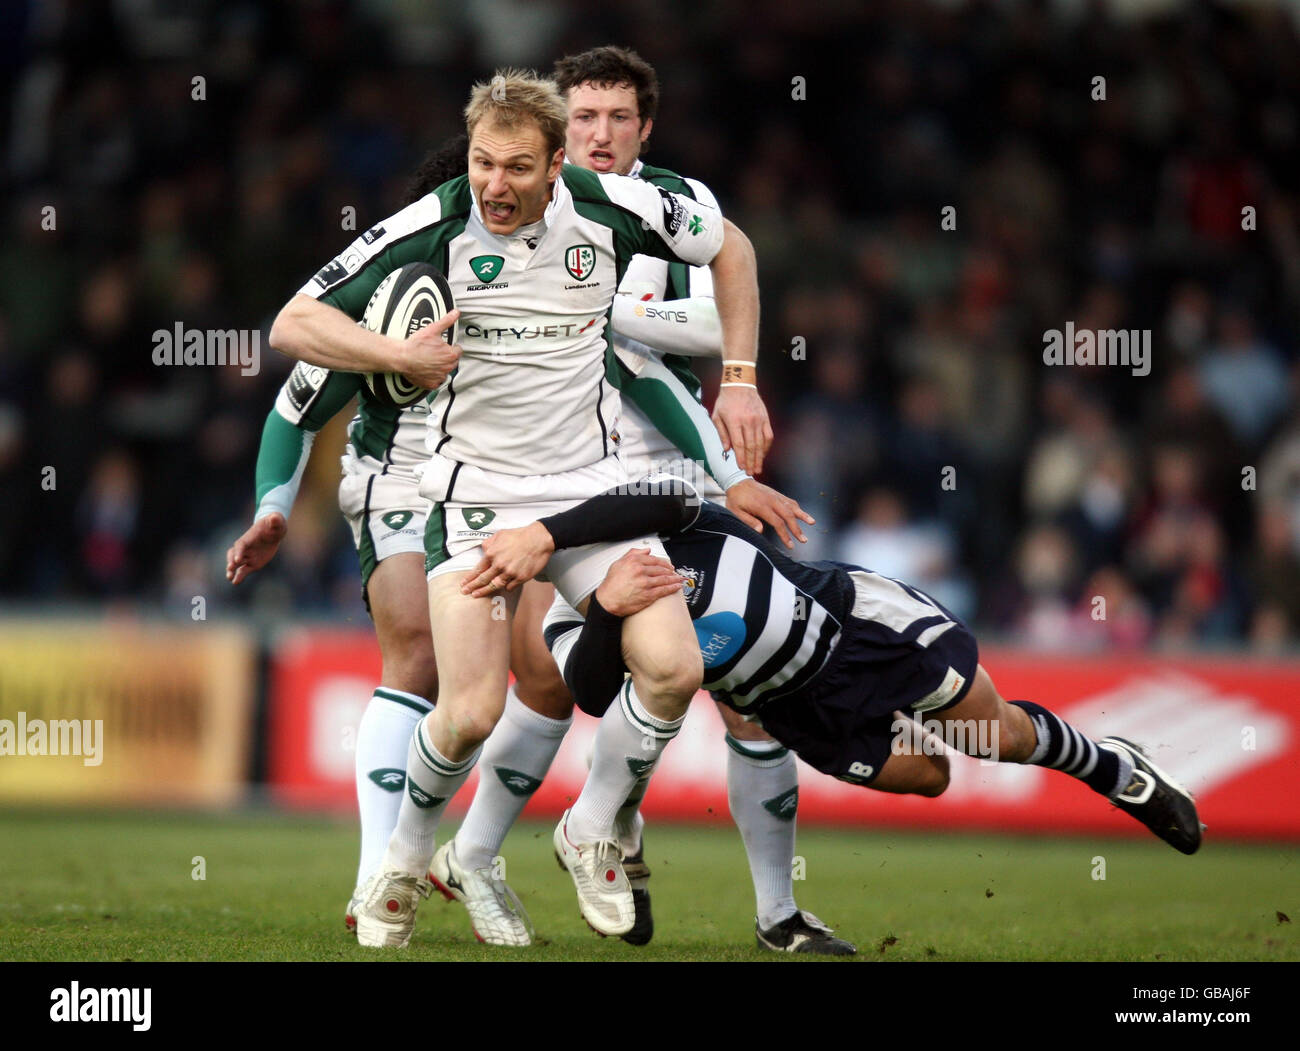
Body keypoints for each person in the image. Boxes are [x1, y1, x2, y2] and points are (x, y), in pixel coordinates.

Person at [267, 68, 783, 949]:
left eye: (515, 168)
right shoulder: (431, 222)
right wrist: (396, 352)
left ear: (555, 168)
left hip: (587, 496)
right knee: (468, 709)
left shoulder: (613, 206)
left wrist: (738, 376)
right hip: (472, 501)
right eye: (480, 164)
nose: (494, 187)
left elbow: (730, 245)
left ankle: (592, 830)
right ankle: (403, 857)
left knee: (675, 667)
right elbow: (292, 322)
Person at [431, 45, 846, 955]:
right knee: (545, 682)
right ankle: (488, 848)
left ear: (645, 128)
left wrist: (712, 365)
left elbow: (709, 311)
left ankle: (771, 908)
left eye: (619, 118)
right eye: (583, 117)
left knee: (734, 687)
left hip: (671, 473)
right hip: (556, 474)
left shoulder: (672, 202)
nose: (601, 134)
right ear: (555, 127)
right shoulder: (512, 206)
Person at [461, 481, 1204, 937]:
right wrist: (605, 611)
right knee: (931, 775)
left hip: (858, 632)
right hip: (791, 705)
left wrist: (554, 529)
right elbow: (591, 693)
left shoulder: (643, 513)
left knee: (996, 735)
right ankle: (681, 866)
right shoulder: (565, 613)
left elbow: (673, 495)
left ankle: (1115, 769)